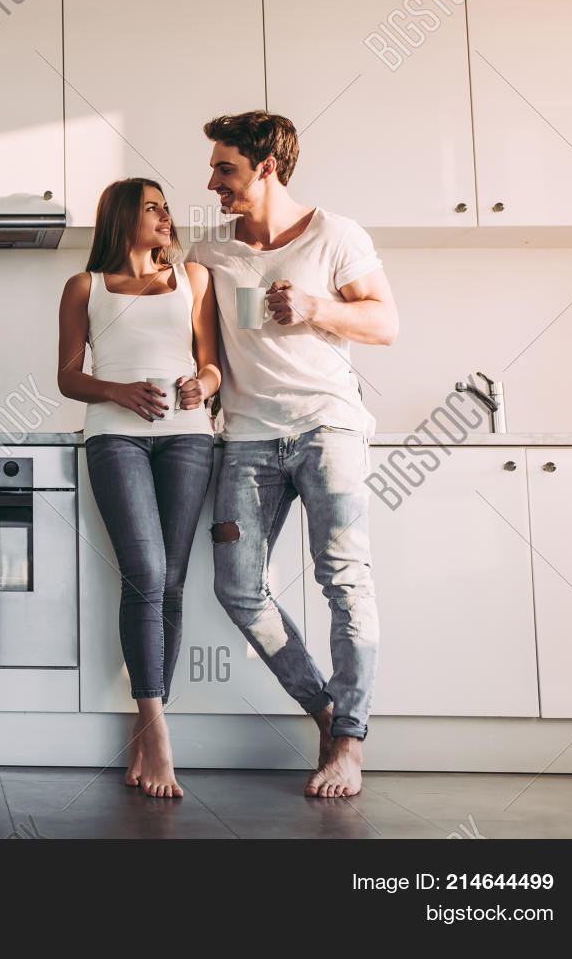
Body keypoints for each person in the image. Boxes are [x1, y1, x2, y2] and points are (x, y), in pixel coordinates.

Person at [189, 111, 399, 797]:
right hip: (246, 437)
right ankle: (328, 711)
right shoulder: (210, 253)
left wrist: (316, 308)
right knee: (239, 587)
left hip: (327, 428)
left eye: (226, 167)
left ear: (267, 166)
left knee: (343, 578)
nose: (214, 180)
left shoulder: (337, 234)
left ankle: (348, 744)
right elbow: (203, 349)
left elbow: (384, 323)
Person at [57, 178, 222, 798]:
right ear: (123, 217)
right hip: (114, 438)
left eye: (165, 207)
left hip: (188, 437)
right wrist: (118, 391)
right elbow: (68, 376)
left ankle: (146, 721)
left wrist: (201, 386)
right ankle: (157, 736)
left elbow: (211, 363)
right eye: (152, 207)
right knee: (145, 575)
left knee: (171, 583)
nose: (165, 216)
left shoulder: (193, 280)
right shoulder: (85, 287)